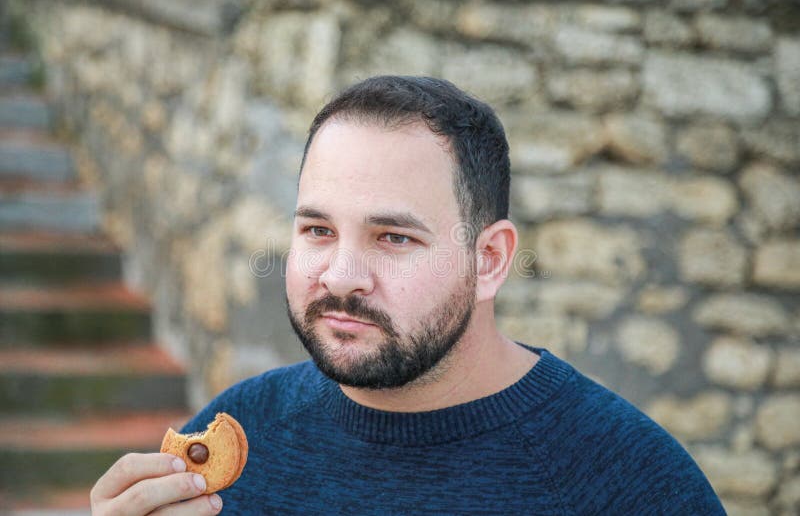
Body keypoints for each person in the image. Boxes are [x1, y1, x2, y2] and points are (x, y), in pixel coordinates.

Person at [90, 76, 725, 515]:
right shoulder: (241, 439)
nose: (340, 276)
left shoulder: (629, 484)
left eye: (393, 237)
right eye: (317, 229)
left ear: (490, 260)